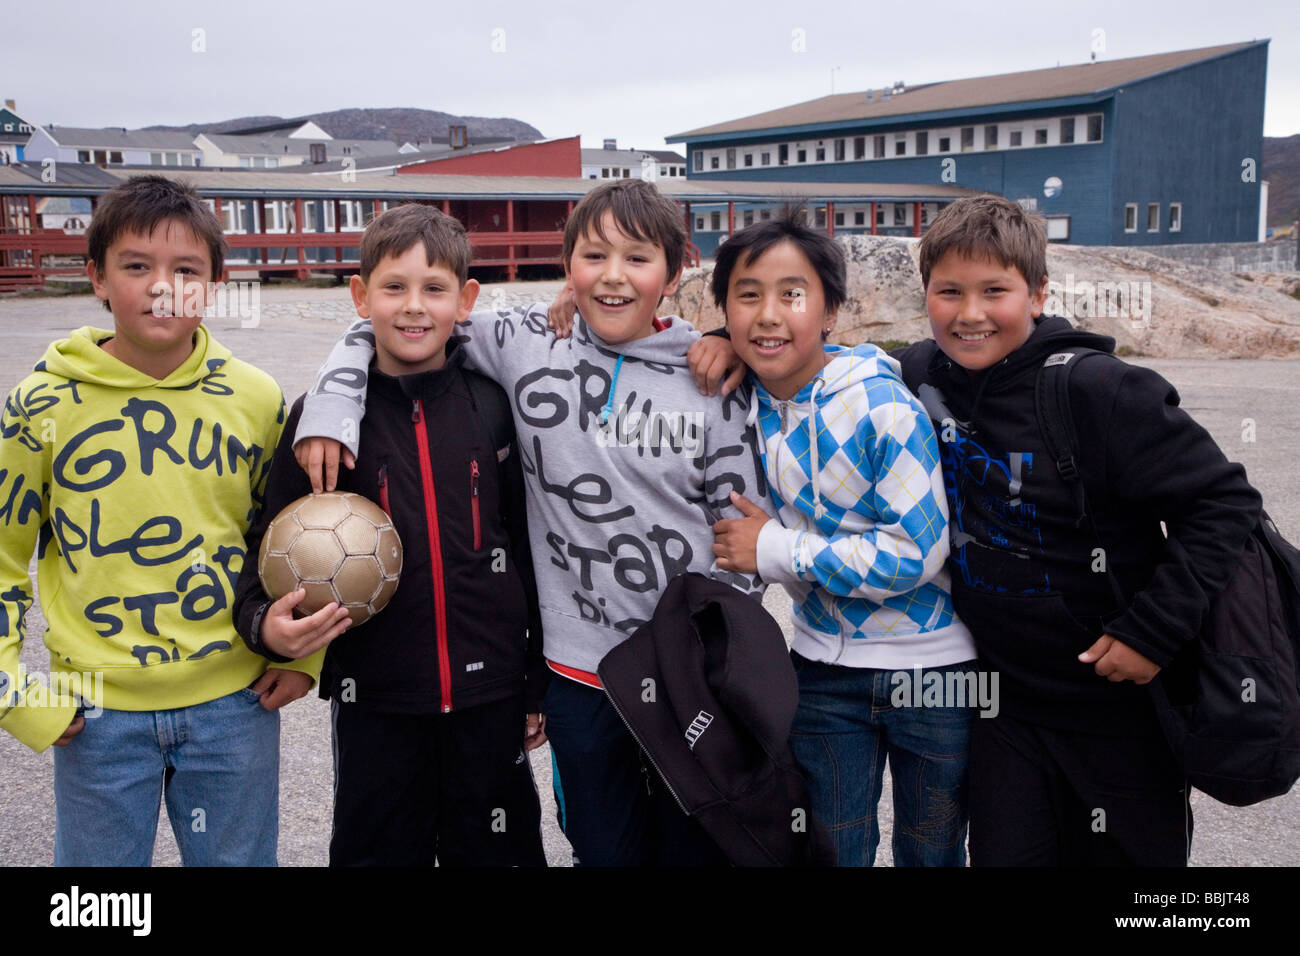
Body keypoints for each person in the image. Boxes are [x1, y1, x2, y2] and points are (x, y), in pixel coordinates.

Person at [291, 179, 768, 866]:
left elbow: (740, 530)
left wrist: (727, 340)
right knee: (603, 848)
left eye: (637, 258)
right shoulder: (524, 342)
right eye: (593, 256)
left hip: (685, 666)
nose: (612, 276)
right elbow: (394, 320)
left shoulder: (710, 378)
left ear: (675, 269)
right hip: (581, 668)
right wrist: (332, 411)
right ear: (566, 265)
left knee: (693, 845)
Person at [899, 194, 1260, 864]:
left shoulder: (1101, 392)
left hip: (1118, 709)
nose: (969, 313)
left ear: (1037, 293)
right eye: (948, 291)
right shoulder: (918, 374)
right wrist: (724, 345)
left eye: (994, 291)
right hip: (1002, 706)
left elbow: (1223, 503)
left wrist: (1151, 631)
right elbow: (813, 368)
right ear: (925, 296)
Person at [0, 174, 319, 866]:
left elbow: (294, 539)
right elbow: (2, 559)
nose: (161, 287)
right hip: (93, 714)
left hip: (234, 703)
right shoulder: (38, 406)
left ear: (214, 284)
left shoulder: (256, 399)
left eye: (185, 270)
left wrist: (307, 656)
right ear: (96, 278)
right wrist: (15, 695)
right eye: (136, 266)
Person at [233, 203, 547, 866]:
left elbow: (525, 545)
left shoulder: (493, 407)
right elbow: (269, 547)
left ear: (464, 300)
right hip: (373, 698)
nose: (413, 307)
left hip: (488, 695)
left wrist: (534, 679)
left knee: (499, 850)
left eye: (434, 289)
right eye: (394, 287)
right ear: (359, 295)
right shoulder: (322, 422)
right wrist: (266, 626)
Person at [685, 213, 978, 866]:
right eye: (747, 295)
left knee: (931, 855)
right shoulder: (745, 402)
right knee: (830, 851)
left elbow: (913, 552)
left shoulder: (883, 407)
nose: (767, 315)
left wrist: (776, 550)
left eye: (791, 294)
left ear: (831, 311)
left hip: (930, 675)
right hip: (821, 671)